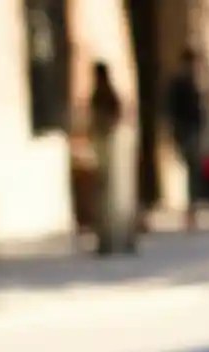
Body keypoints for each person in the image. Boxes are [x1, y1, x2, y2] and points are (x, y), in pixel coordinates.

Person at [89, 60, 137, 253]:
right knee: (111, 198)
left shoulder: (104, 97)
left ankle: (116, 238)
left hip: (110, 153)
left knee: (114, 198)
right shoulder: (102, 96)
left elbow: (108, 121)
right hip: (107, 154)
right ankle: (113, 239)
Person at [166, 48, 204, 231]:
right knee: (191, 172)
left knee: (193, 172)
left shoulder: (189, 82)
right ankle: (190, 213)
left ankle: (192, 211)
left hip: (190, 131)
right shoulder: (181, 83)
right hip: (186, 131)